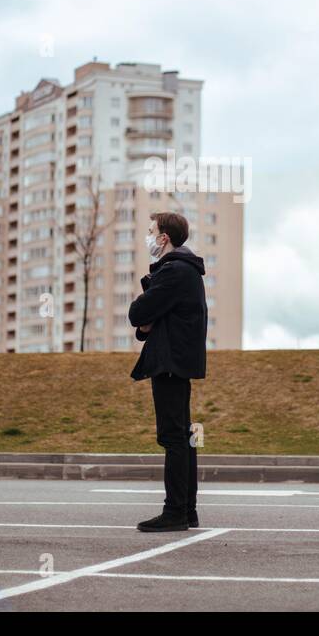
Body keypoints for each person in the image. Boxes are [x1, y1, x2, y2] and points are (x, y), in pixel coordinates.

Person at [128, 211, 208, 532]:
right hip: (176, 360)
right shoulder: (182, 271)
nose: (148, 236)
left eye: (151, 231)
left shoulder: (174, 271)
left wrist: (147, 308)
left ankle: (175, 511)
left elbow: (138, 314)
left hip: (170, 362)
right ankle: (187, 510)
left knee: (173, 437)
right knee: (183, 437)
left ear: (164, 238)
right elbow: (146, 324)